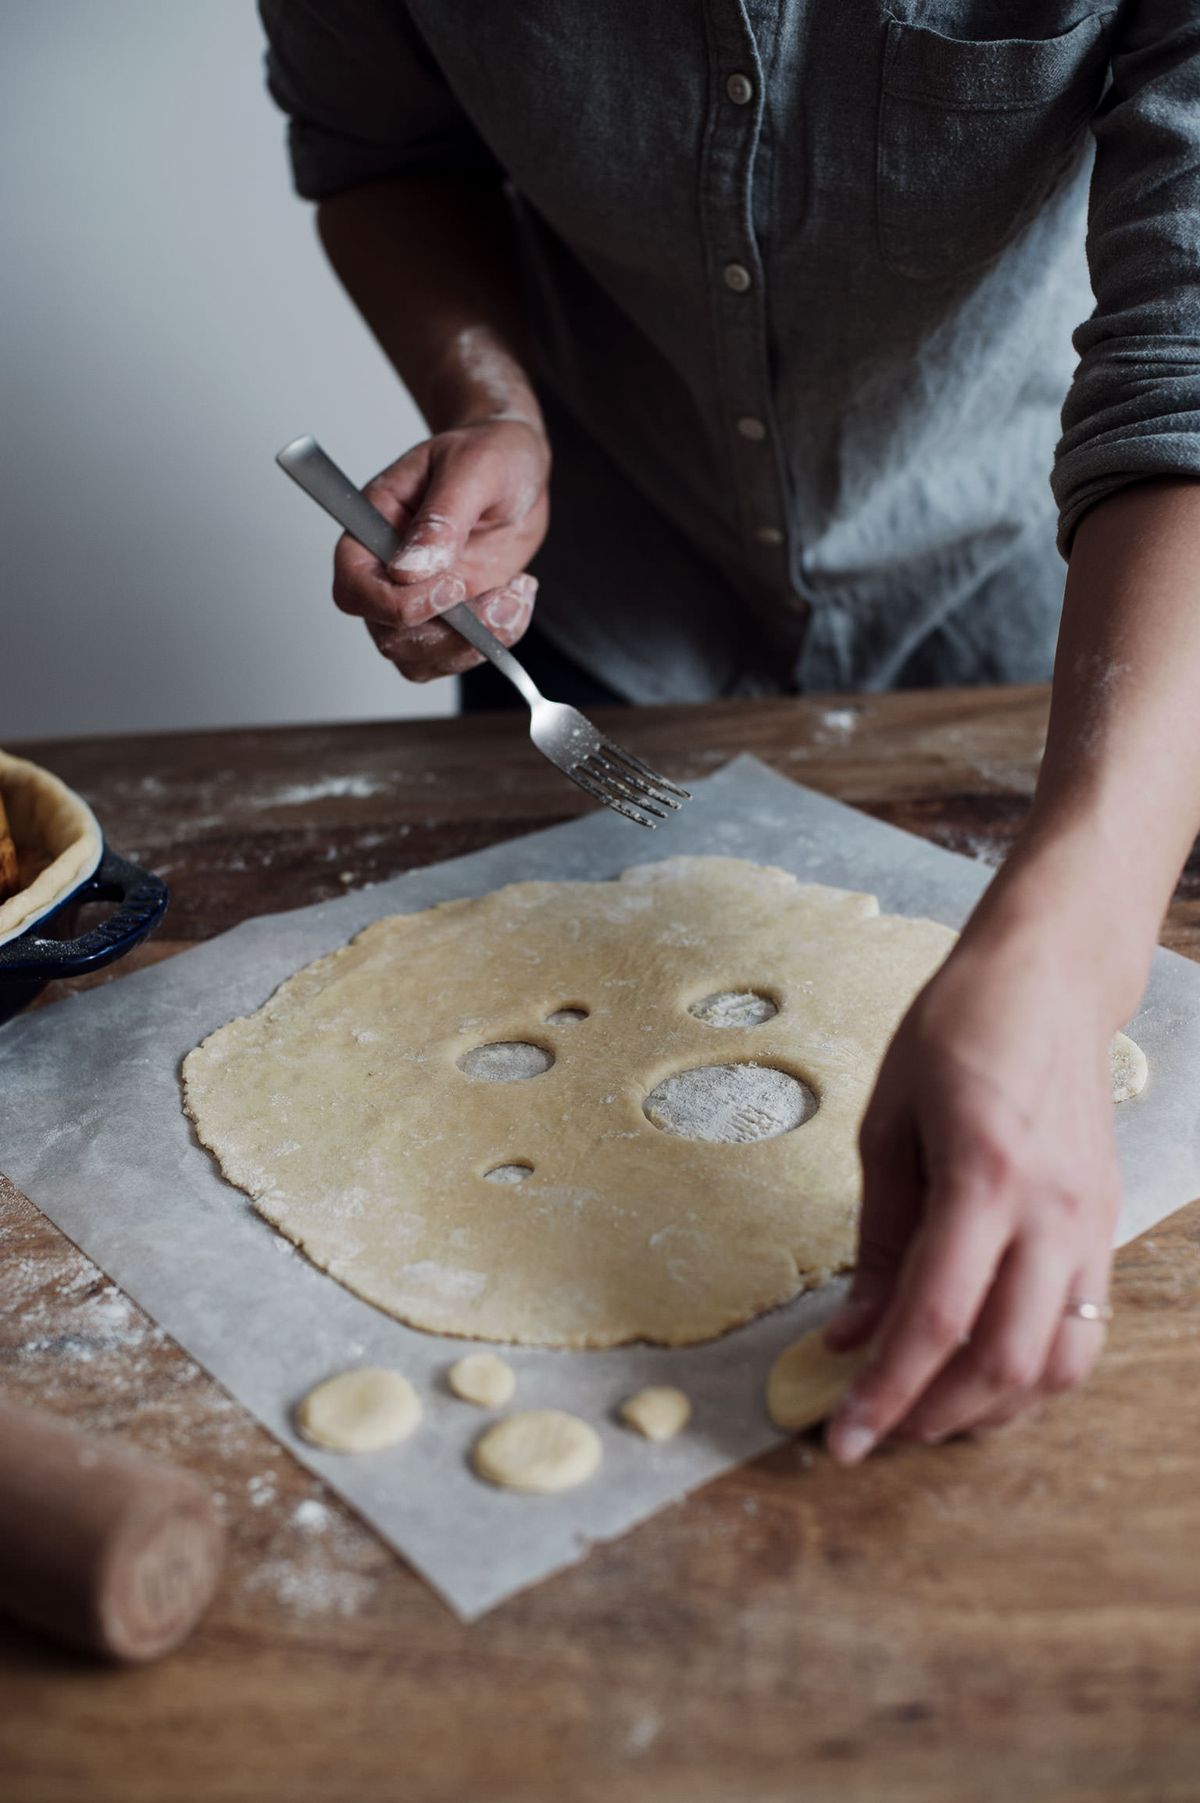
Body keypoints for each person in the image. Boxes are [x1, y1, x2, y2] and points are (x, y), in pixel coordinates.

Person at [258, 2, 1200, 1463]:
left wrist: (1072, 955)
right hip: (601, 609)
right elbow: (387, 151)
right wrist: (487, 402)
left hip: (1056, 623)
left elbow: (1190, 360)